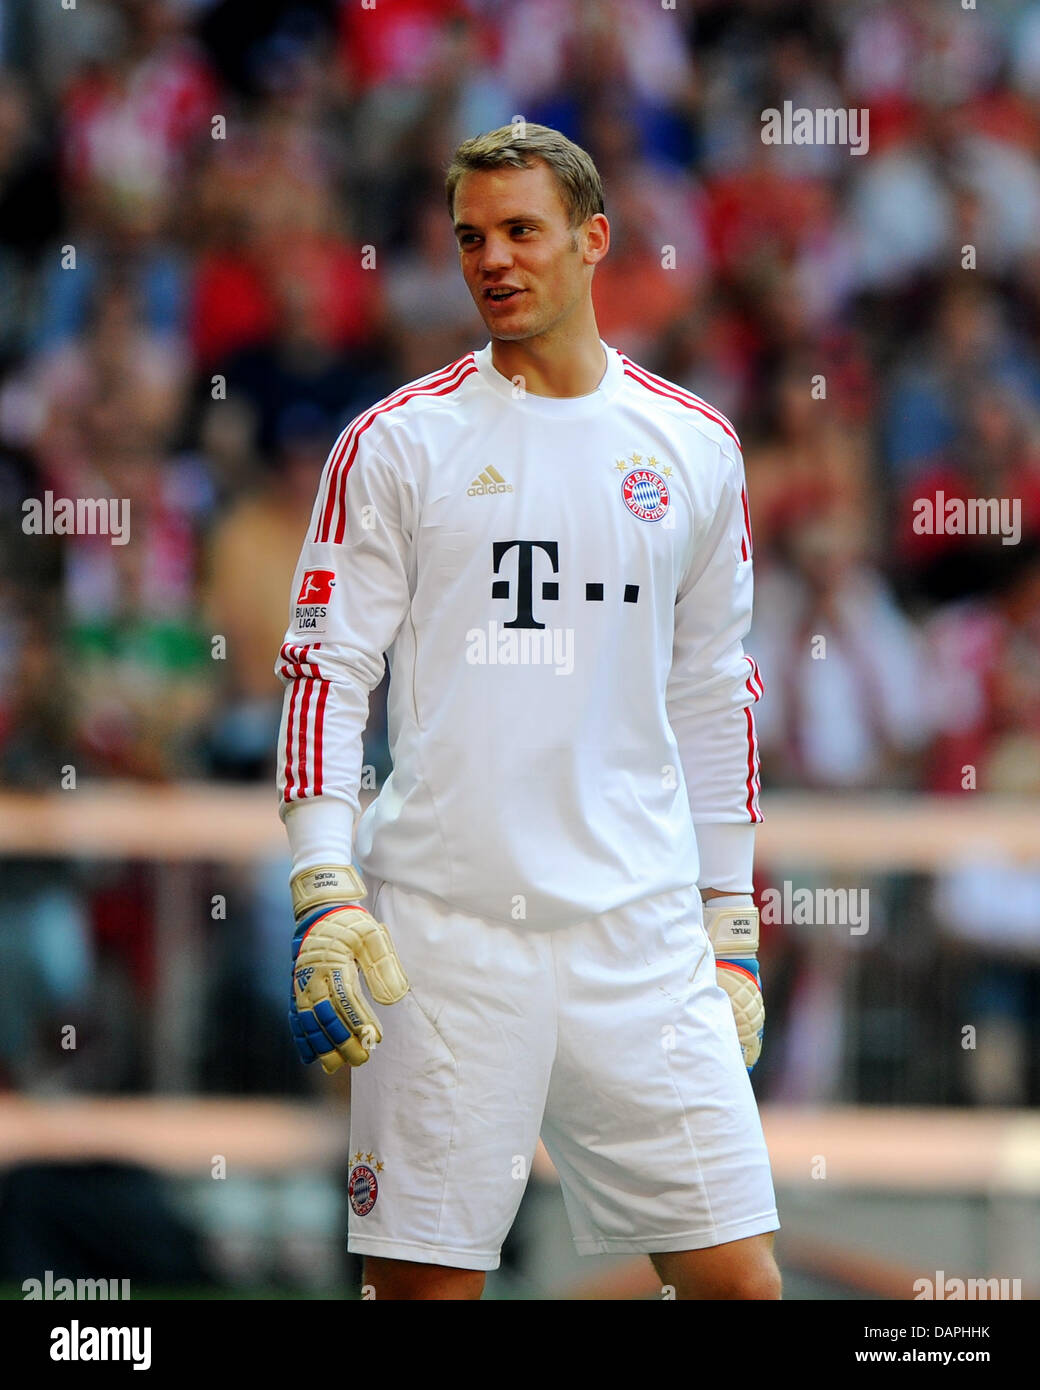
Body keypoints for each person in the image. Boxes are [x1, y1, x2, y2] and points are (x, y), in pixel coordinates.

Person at [275, 123, 780, 1300]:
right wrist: (321, 886)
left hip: (641, 934)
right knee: (424, 1294)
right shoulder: (395, 443)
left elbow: (716, 694)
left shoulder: (695, 448)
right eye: (469, 237)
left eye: (519, 231)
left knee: (737, 1285)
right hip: (445, 934)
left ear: (591, 240)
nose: (491, 259)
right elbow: (322, 671)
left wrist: (731, 917)